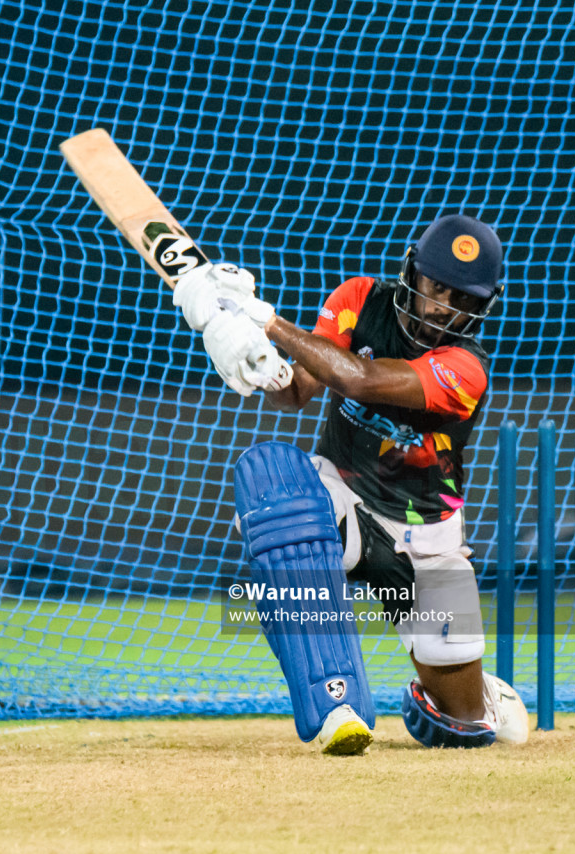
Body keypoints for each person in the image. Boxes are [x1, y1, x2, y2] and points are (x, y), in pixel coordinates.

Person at [173, 214, 527, 752]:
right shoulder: (359, 300)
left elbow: (358, 379)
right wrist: (248, 351)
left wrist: (264, 318)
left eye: (461, 299)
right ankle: (335, 698)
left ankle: (482, 695)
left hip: (426, 538)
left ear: (482, 306)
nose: (441, 308)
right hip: (342, 492)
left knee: (460, 728)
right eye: (435, 287)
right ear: (413, 271)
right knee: (279, 503)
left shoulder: (466, 367)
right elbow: (298, 392)